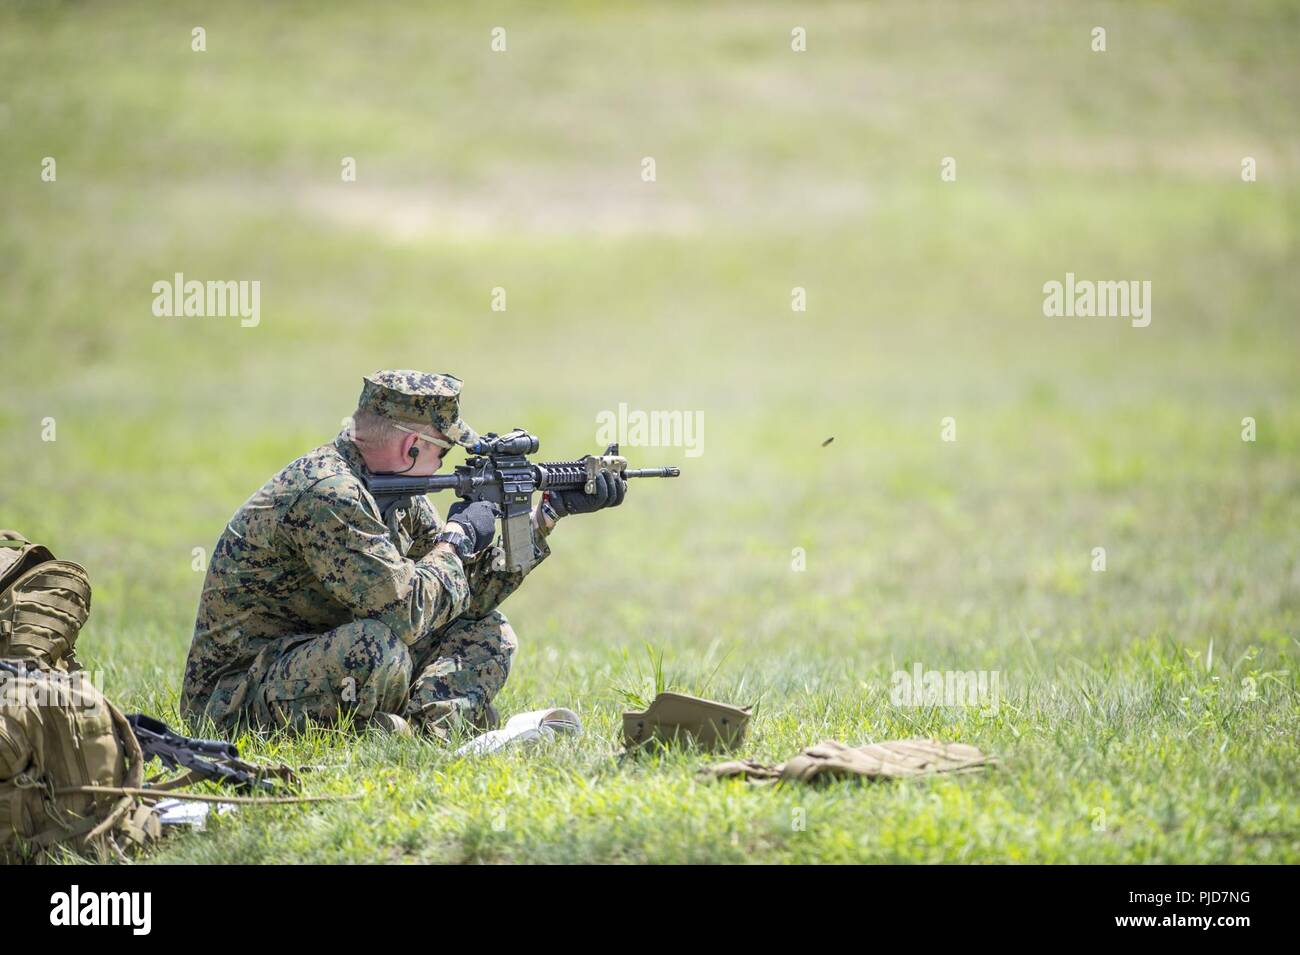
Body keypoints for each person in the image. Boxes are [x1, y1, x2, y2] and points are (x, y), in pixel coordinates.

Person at [180, 370, 626, 737]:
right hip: (235, 699)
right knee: (376, 646)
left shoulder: (398, 491)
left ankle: (428, 732)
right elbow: (405, 611)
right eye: (443, 450)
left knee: (488, 632)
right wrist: (456, 537)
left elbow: (457, 598)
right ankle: (386, 727)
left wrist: (544, 518)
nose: (444, 465)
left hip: (316, 662)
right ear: (411, 446)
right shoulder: (330, 494)